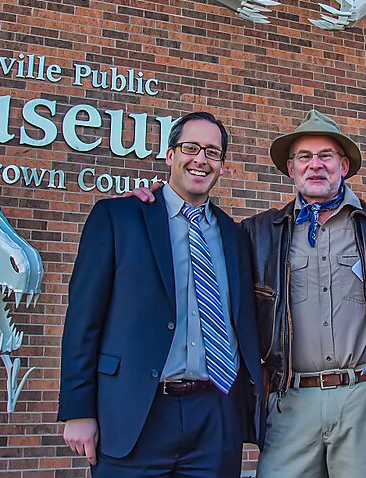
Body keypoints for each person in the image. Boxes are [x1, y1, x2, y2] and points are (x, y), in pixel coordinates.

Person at [129, 109, 366, 477]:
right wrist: (154, 198)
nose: (315, 165)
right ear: (291, 169)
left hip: (365, 395)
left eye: (326, 155)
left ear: (343, 166)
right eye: (304, 157)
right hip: (290, 399)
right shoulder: (257, 234)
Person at [57, 111, 261, 477]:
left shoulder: (234, 235)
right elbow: (82, 320)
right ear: (170, 155)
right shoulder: (118, 217)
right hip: (136, 412)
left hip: (215, 418)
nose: (201, 159)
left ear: (223, 167)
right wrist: (77, 409)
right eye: (190, 147)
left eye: (212, 152)